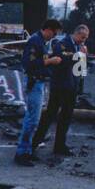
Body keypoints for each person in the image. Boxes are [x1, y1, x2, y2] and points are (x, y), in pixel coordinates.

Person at [32, 23, 90, 158]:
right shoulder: (61, 43)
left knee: (66, 117)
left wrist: (80, 85)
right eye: (82, 37)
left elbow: (81, 68)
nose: (83, 40)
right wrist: (78, 54)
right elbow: (62, 58)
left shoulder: (80, 48)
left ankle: (60, 145)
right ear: (76, 34)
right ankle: (34, 144)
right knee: (49, 115)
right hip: (60, 86)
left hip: (72, 87)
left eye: (86, 38)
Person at [14, 17, 62, 166]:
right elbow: (29, 63)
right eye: (53, 33)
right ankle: (22, 153)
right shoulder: (35, 41)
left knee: (34, 118)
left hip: (39, 82)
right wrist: (50, 61)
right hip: (33, 82)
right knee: (32, 119)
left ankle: (27, 151)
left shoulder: (43, 42)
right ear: (47, 29)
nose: (53, 37)